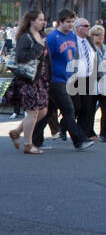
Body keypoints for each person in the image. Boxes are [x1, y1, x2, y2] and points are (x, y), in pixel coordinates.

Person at [31, 10, 95, 151]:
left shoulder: (72, 35)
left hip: (67, 78)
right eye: (67, 22)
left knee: (48, 112)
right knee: (68, 108)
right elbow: (45, 58)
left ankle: (35, 140)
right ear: (60, 22)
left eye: (72, 21)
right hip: (54, 79)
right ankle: (79, 140)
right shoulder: (53, 38)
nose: (70, 24)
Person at [7, 9, 50, 155]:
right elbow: (21, 57)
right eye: (40, 19)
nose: (43, 22)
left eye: (43, 19)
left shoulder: (41, 35)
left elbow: (45, 58)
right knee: (33, 111)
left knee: (43, 111)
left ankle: (16, 132)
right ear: (31, 21)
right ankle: (28, 144)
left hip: (39, 79)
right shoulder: (26, 37)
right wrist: (38, 47)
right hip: (27, 79)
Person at [70, 18, 98, 137]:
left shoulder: (89, 41)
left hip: (88, 78)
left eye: (89, 25)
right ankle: (64, 125)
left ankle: (82, 134)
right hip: (75, 78)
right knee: (76, 106)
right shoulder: (72, 40)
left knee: (86, 108)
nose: (89, 27)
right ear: (77, 28)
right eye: (86, 25)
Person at [89, 23, 106, 141]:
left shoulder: (105, 48)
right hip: (92, 82)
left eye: (101, 34)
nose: (99, 37)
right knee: (89, 110)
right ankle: (90, 133)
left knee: (105, 109)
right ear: (92, 36)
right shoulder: (89, 49)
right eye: (96, 34)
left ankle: (104, 134)